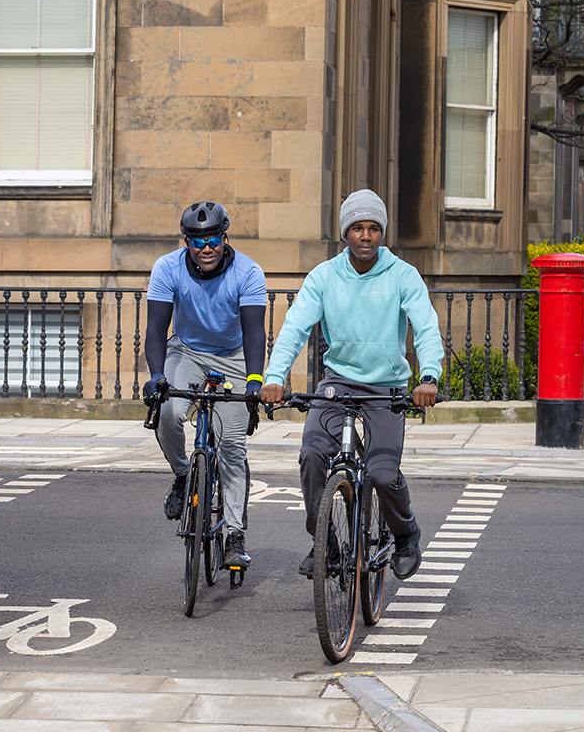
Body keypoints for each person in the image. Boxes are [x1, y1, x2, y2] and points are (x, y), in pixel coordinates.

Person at [259, 190, 443, 582]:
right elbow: (294, 329)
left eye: (373, 228)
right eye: (357, 228)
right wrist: (274, 378)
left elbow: (425, 327)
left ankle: (406, 533)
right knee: (311, 454)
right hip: (337, 382)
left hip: (387, 385)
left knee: (380, 474)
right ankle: (324, 540)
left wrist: (428, 377)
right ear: (346, 232)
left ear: (382, 232)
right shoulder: (324, 276)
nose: (365, 236)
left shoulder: (402, 275)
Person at [142, 201, 267, 569]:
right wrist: (156, 376)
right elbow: (154, 329)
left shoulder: (248, 272)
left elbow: (255, 331)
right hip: (187, 350)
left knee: (231, 445)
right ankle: (183, 475)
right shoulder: (167, 268)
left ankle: (235, 535)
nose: (206, 247)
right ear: (186, 243)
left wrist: (255, 381)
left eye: (213, 238)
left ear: (224, 238)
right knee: (167, 410)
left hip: (234, 356)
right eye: (197, 241)